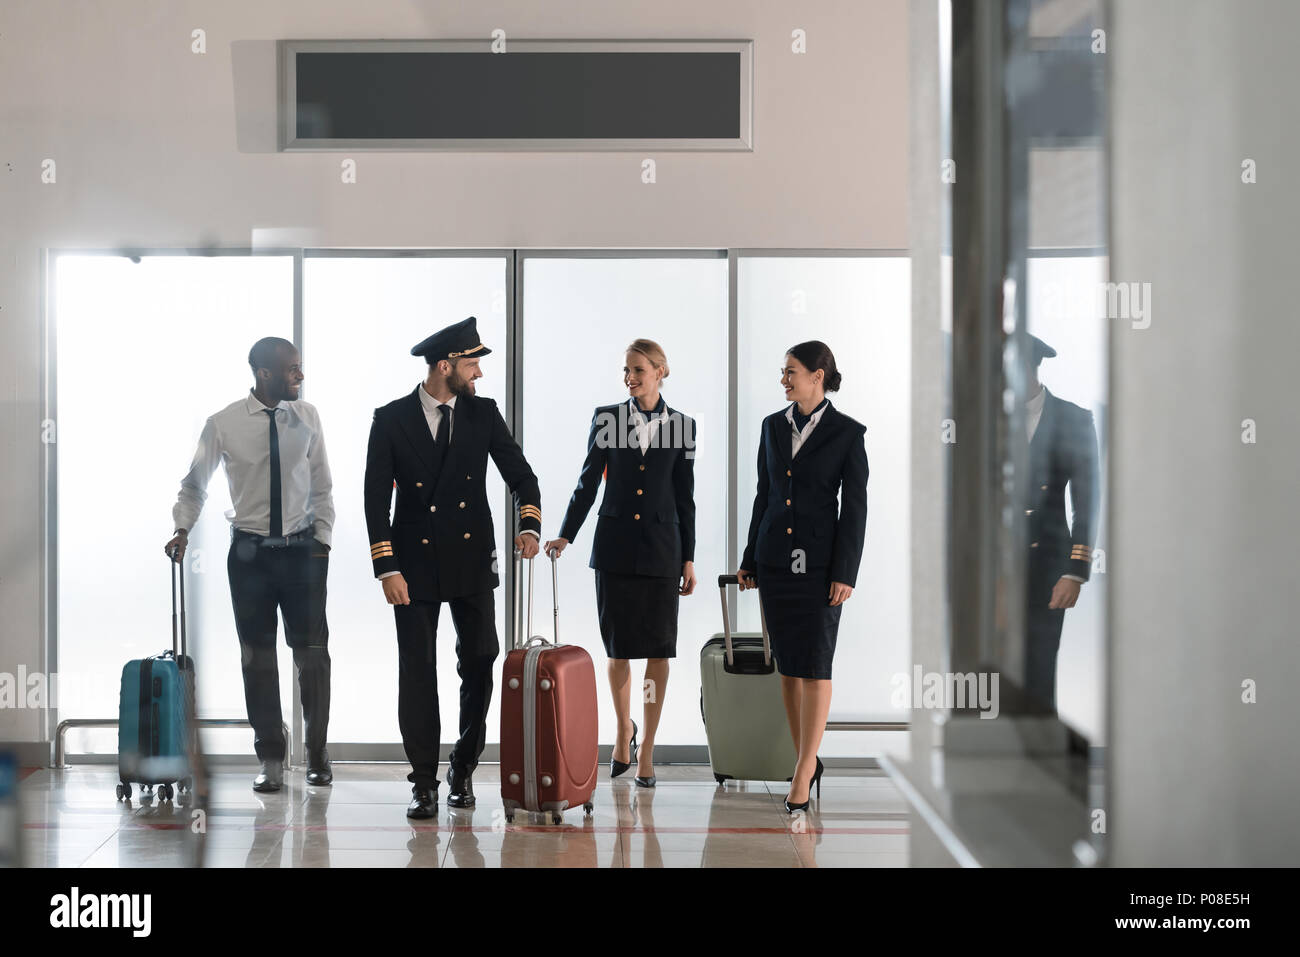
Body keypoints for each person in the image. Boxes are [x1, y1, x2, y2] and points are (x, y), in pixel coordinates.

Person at [365, 316, 542, 819]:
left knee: (481, 661)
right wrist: (386, 568)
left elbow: (521, 476)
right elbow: (375, 501)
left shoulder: (483, 414)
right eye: (472, 364)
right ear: (446, 366)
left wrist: (528, 525)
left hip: (471, 560)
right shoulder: (391, 418)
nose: (479, 374)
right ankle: (423, 781)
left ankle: (462, 766)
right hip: (413, 568)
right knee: (418, 672)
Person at [166, 336, 335, 793]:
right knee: (257, 659)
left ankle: (317, 752)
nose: (301, 375)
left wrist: (322, 543)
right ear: (264, 374)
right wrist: (182, 530)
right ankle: (271, 758)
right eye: (293, 369)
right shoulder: (222, 424)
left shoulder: (308, 417)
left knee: (313, 658)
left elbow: (322, 487)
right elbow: (193, 486)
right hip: (250, 557)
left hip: (303, 554)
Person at [545, 339, 697, 788]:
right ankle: (621, 729)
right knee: (618, 649)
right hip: (613, 548)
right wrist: (567, 533)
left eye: (638, 370)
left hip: (663, 551)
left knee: (658, 650)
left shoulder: (683, 426)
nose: (630, 377)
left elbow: (685, 498)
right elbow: (587, 480)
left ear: (660, 371)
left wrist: (689, 557)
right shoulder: (607, 418)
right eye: (626, 370)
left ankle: (647, 746)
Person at [736, 340, 868, 813]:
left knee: (815, 665)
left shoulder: (848, 434)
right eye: (782, 371)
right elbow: (763, 496)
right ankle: (805, 760)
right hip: (775, 563)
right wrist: (750, 558)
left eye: (792, 371)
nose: (784, 379)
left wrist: (845, 573)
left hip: (819, 568)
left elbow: (854, 510)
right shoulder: (772, 427)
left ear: (818, 375)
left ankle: (805, 767)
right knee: (788, 667)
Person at [1023, 334, 1100, 712]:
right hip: (994, 570)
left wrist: (1076, 571)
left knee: (1039, 665)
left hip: (1048, 564)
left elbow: (1087, 502)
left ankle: (1039, 760)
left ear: (1031, 366)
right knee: (988, 676)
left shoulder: (1074, 419)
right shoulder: (982, 421)